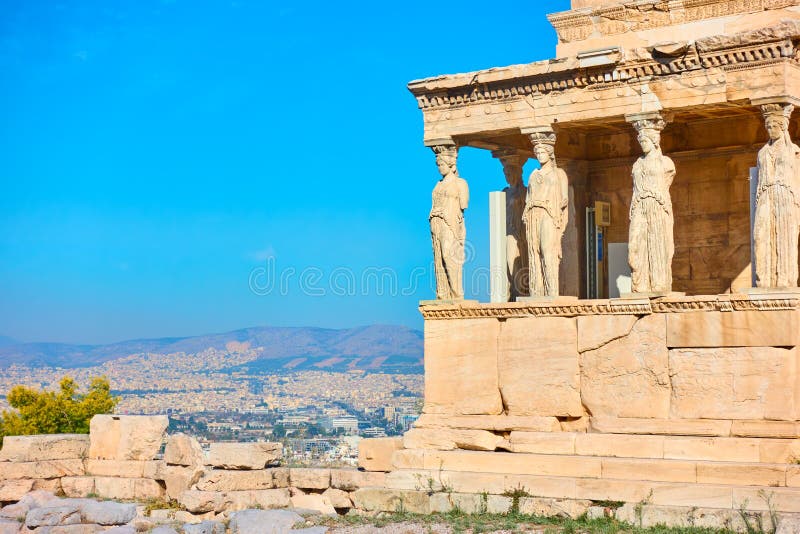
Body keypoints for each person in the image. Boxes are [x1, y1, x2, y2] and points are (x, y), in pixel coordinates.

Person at [754, 103, 800, 288]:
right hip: (765, 195)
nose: (771, 130)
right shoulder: (762, 152)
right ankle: (764, 280)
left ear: (783, 127)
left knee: (784, 236)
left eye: (774, 126)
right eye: (768, 127)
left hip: (785, 196)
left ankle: (784, 280)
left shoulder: (793, 150)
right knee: (760, 235)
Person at [628, 121, 675, 293]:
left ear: (655, 141)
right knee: (634, 246)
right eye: (640, 141)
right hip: (639, 206)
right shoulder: (637, 164)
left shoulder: (666, 163)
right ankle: (640, 284)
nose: (642, 144)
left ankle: (658, 283)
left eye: (645, 141)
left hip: (657, 205)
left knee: (657, 244)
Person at [523, 136, 568, 297]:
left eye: (542, 152)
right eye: (537, 152)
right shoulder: (533, 175)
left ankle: (552, 292)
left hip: (549, 214)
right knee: (534, 253)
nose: (540, 155)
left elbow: (564, 200)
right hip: (533, 214)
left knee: (547, 250)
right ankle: (537, 293)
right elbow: (528, 198)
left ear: (550, 153)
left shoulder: (559, 174)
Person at [429, 145, 469, 300]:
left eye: (442, 165)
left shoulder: (460, 183)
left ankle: (457, 293)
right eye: (438, 165)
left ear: (451, 165)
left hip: (450, 224)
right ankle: (443, 293)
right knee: (438, 258)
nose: (440, 168)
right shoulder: (438, 184)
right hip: (436, 223)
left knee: (449, 255)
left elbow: (464, 204)